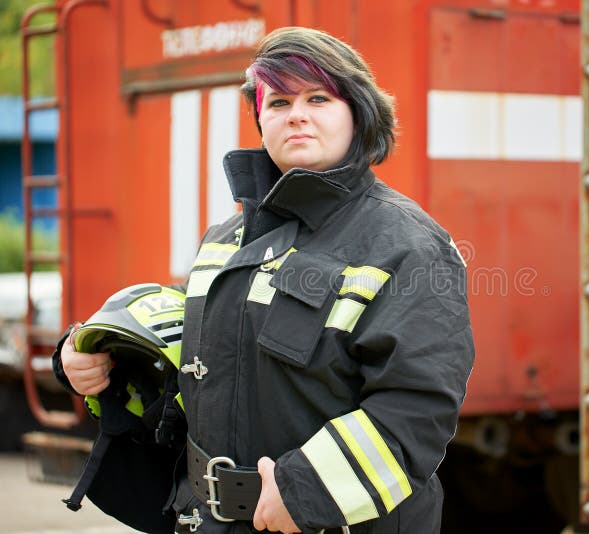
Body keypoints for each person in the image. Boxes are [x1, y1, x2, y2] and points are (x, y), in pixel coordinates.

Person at [55, 26, 474, 534]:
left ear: (358, 114)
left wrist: (305, 493)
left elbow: (417, 408)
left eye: (318, 97)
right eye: (277, 102)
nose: (296, 113)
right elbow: (194, 368)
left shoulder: (407, 244)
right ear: (260, 121)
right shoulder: (226, 238)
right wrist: (88, 357)